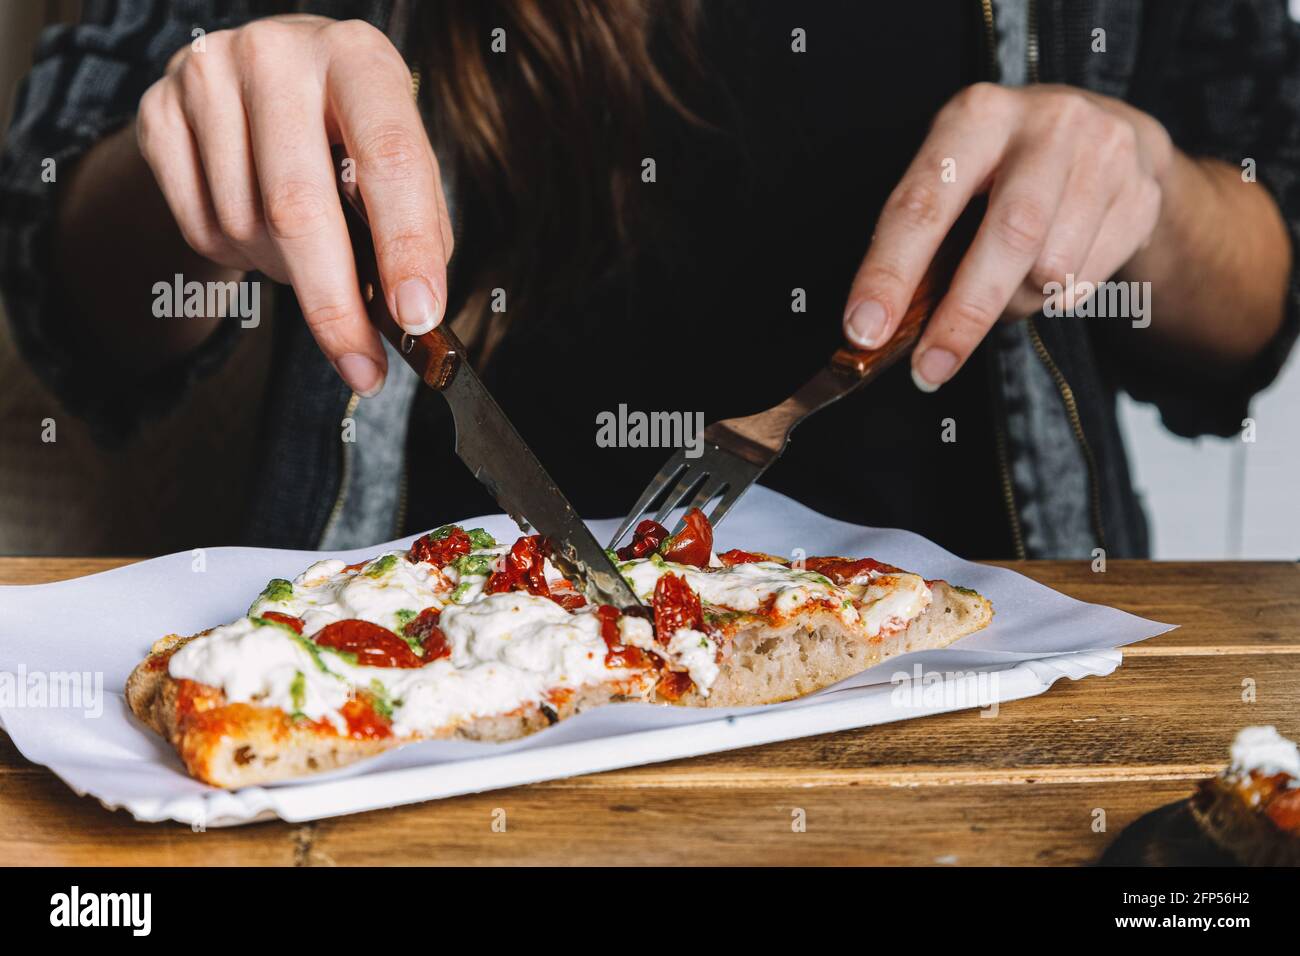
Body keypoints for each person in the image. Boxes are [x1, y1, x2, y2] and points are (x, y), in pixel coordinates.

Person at [1, 0, 1296, 559]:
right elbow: (67, 305)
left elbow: (1252, 331)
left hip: (980, 675)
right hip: (416, 697)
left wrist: (1158, 200)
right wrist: (192, 168)